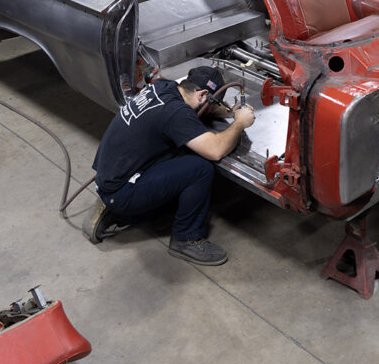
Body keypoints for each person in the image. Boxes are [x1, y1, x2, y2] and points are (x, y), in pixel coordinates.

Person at [83, 66, 256, 266]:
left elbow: (201, 106)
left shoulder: (163, 86)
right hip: (121, 191)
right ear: (203, 95)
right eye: (213, 101)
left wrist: (227, 112)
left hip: (111, 177)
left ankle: (116, 212)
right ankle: (185, 238)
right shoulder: (176, 114)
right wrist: (239, 123)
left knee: (182, 150)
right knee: (200, 169)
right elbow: (215, 150)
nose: (213, 106)